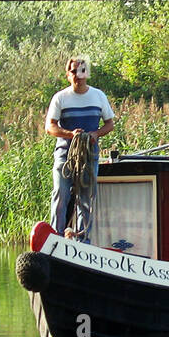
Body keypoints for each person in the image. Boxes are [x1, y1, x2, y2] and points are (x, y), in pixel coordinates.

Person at [46, 57, 115, 240]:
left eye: (82, 71)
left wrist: (95, 134)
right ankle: (56, 236)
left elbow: (109, 124)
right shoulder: (60, 98)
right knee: (61, 194)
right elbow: (50, 127)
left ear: (87, 74)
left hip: (89, 156)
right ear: (68, 75)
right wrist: (70, 134)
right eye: (74, 72)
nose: (78, 75)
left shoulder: (98, 96)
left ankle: (82, 238)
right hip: (64, 156)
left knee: (86, 198)